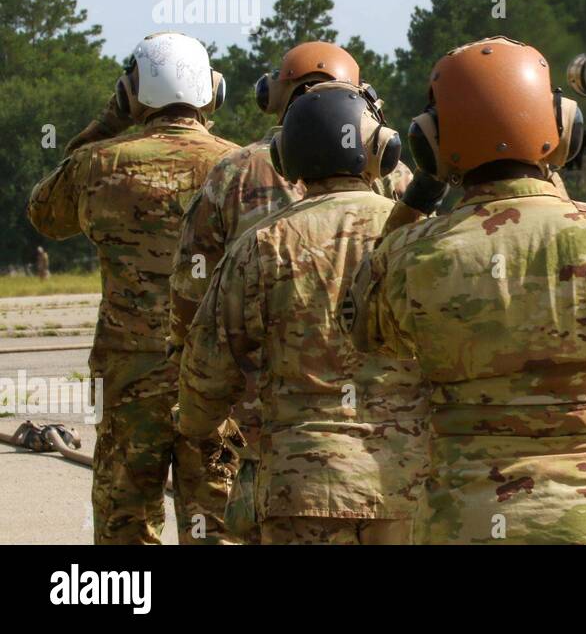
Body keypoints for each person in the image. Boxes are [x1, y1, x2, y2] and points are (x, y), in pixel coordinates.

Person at [354, 36, 586, 544]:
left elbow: (361, 324)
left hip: (464, 525)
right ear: (563, 128)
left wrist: (417, 198)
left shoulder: (409, 257)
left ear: (430, 141)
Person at [167, 40, 412, 542]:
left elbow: (200, 341)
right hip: (408, 480)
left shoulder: (257, 234)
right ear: (378, 148)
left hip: (298, 483)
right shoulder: (419, 230)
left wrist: (198, 425)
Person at [28, 31, 239, 545]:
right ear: (213, 90)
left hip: (127, 376)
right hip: (213, 374)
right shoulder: (242, 167)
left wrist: (107, 122)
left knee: (125, 520)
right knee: (216, 516)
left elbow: (45, 213)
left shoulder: (98, 163)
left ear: (132, 93)